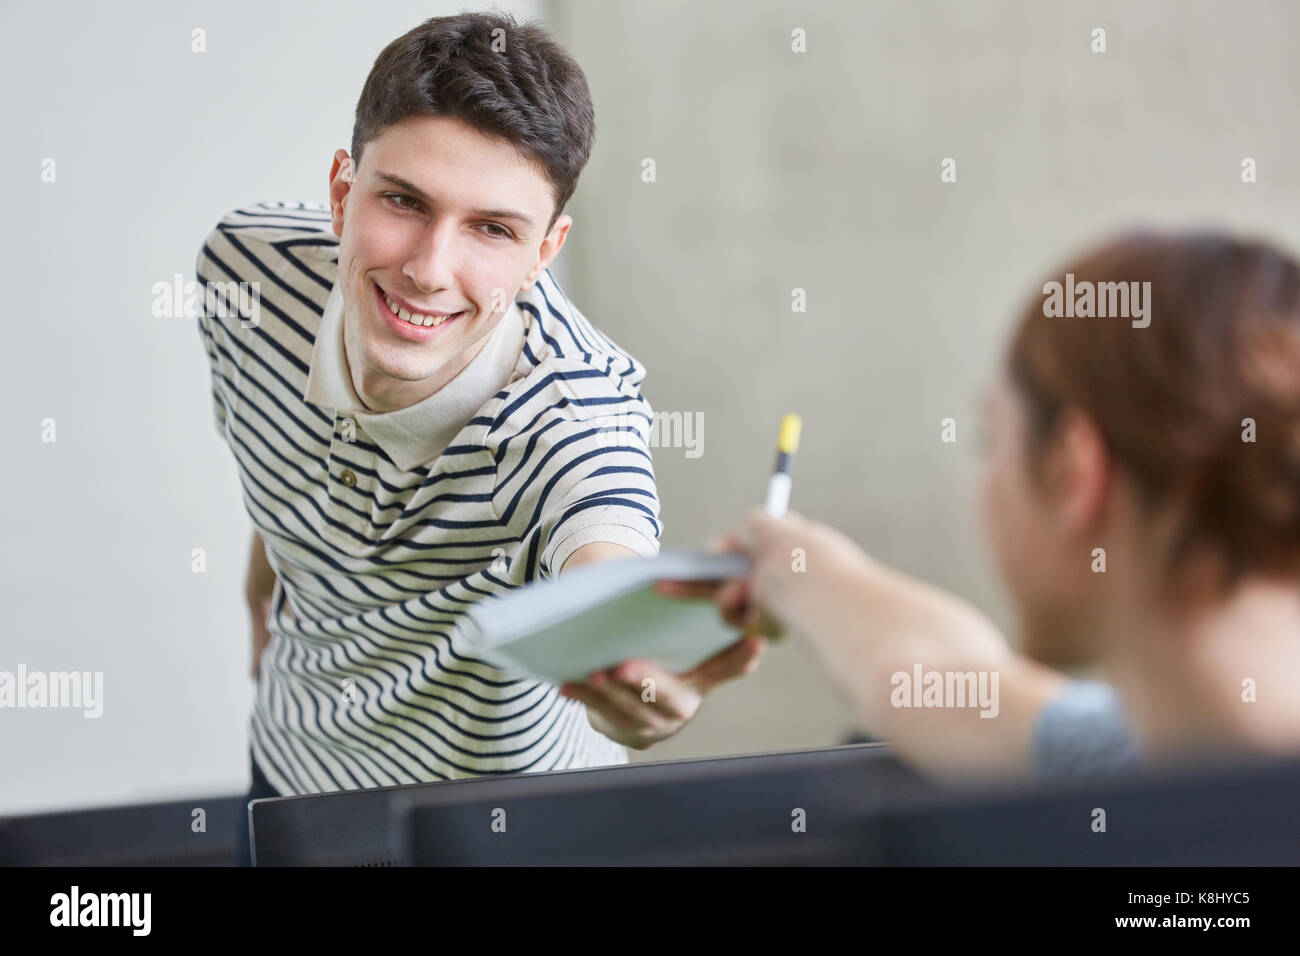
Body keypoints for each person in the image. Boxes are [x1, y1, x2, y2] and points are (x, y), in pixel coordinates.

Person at [196, 12, 762, 866]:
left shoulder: (574, 415)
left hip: (504, 829)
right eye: (403, 201)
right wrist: (260, 585)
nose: (429, 268)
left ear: (544, 250)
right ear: (343, 193)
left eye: (492, 229)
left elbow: (607, 562)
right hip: (295, 779)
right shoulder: (246, 276)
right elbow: (274, 451)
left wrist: (643, 678)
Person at [663, 231, 1300, 783]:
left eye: (990, 438)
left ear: (1071, 473)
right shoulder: (1138, 750)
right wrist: (789, 563)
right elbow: (936, 675)